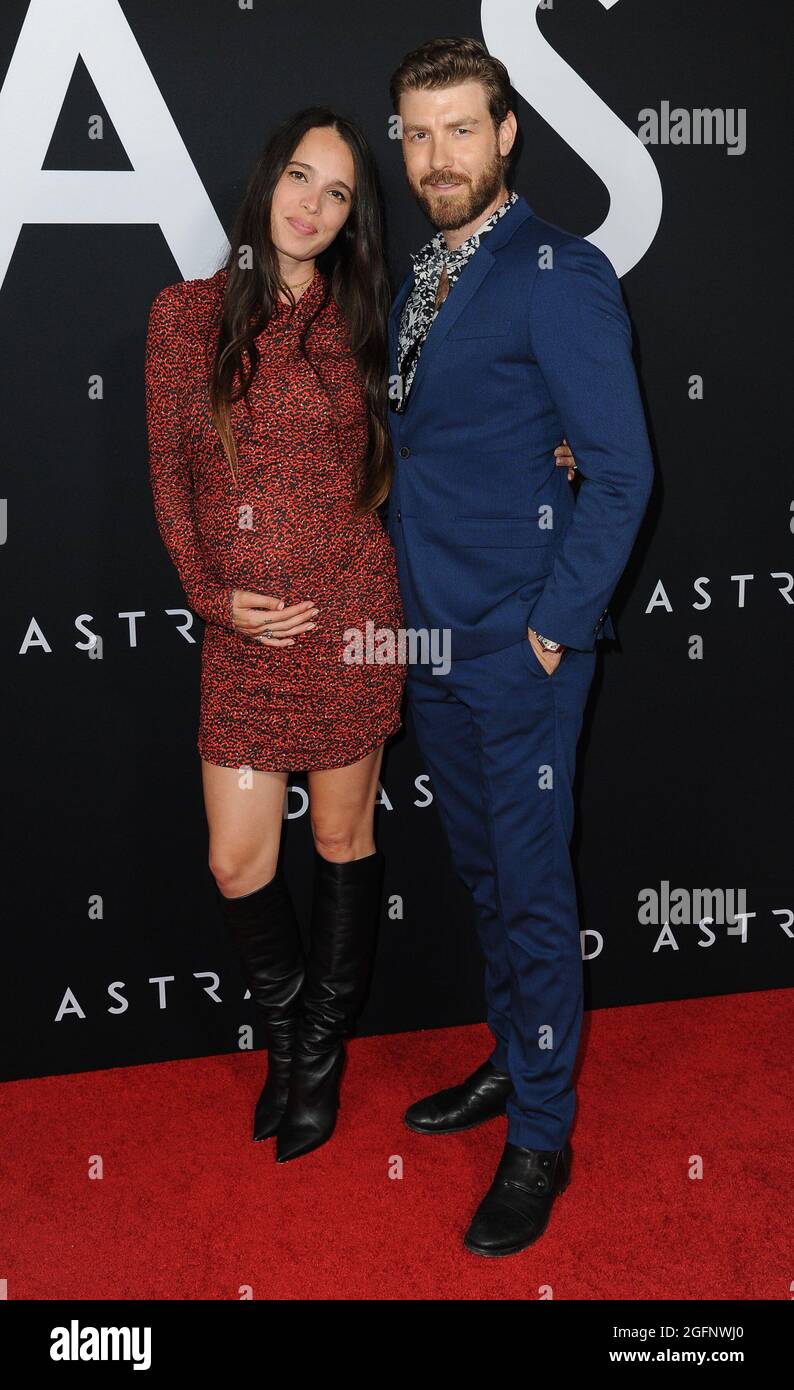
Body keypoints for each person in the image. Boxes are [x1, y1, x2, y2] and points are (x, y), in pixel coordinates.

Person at [386, 37, 654, 1256]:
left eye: (458, 129)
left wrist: (547, 635)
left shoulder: (558, 269)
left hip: (516, 648)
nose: (435, 156)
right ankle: (513, 1059)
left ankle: (541, 1132)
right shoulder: (421, 271)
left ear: (505, 135)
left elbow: (621, 472)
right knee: (491, 881)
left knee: (535, 893)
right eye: (416, 132)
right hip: (431, 638)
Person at [144, 109, 406, 1164]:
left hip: (351, 619)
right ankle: (295, 1032)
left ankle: (312, 1057)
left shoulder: (361, 321)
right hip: (246, 638)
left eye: (336, 193)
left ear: (349, 221)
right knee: (235, 859)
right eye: (300, 177)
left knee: (343, 843)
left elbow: (436, 436)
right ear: (264, 186)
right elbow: (168, 474)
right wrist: (212, 596)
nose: (311, 203)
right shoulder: (183, 314)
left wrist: (557, 448)